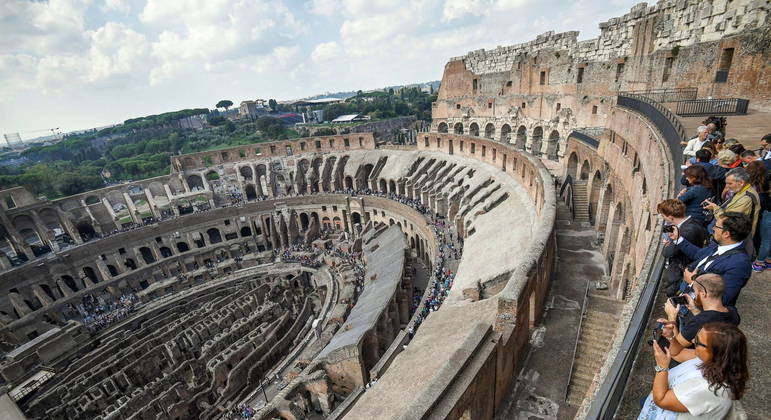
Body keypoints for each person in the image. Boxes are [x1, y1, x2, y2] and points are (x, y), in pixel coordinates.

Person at [638, 323, 748, 419]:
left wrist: (662, 367)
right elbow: (678, 353)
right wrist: (671, 337)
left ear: (715, 351)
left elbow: (661, 400)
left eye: (698, 341)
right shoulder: (713, 361)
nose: (692, 341)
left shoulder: (710, 388)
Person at [667, 212, 752, 308]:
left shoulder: (739, 263)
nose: (713, 228)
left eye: (716, 226)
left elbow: (724, 299)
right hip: (687, 297)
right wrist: (678, 238)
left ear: (726, 234)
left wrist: (693, 282)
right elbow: (698, 254)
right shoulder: (720, 244)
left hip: (698, 310)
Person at [660, 273, 740, 361]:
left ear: (703, 293)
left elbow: (675, 349)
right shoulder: (732, 312)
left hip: (704, 361)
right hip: (720, 355)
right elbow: (710, 317)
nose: (694, 295)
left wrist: (671, 316)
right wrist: (694, 309)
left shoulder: (699, 322)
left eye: (694, 291)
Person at [659, 199, 708, 297]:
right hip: (687, 266)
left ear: (671, 217)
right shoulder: (693, 221)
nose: (664, 219)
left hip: (681, 274)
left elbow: (667, 253)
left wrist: (670, 244)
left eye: (664, 216)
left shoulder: (685, 232)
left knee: (673, 296)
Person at [702, 167, 760, 238]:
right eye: (726, 183)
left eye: (730, 183)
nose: (727, 186)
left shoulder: (746, 198)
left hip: (734, 237)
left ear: (741, 183)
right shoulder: (741, 191)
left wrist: (715, 208)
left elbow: (728, 220)